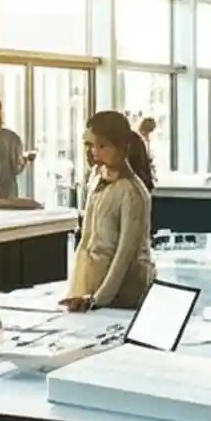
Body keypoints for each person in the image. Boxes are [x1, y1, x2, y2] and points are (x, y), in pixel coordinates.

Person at [61, 111, 154, 312]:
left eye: (102, 145)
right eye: (90, 145)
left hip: (123, 292)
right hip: (90, 282)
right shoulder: (96, 177)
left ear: (123, 147)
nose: (94, 151)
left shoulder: (132, 192)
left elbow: (125, 255)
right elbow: (87, 237)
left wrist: (98, 299)